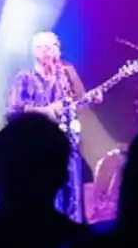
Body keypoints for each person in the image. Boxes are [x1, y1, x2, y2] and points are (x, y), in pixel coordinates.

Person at [7, 32, 99, 223]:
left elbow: (77, 102)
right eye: (45, 47)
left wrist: (91, 98)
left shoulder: (65, 73)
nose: (50, 52)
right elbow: (13, 110)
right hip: (37, 146)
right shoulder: (25, 77)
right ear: (35, 51)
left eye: (53, 46)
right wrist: (45, 111)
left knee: (73, 190)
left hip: (67, 141)